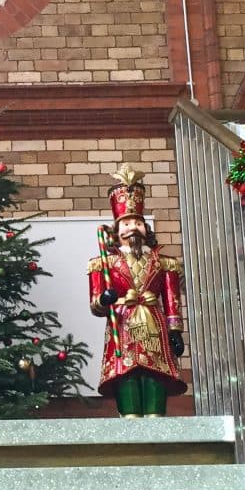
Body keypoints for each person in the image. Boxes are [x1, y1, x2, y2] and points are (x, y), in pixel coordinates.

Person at [88, 165, 187, 417]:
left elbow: (171, 299)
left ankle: (156, 418)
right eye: (127, 223)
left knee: (155, 371)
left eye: (138, 222)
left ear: (146, 229)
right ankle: (129, 417)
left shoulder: (165, 263)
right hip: (122, 324)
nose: (133, 227)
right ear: (116, 231)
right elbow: (96, 303)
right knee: (126, 372)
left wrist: (175, 331)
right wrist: (105, 299)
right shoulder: (104, 264)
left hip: (154, 325)